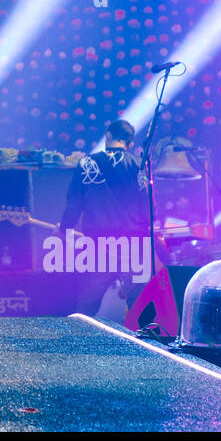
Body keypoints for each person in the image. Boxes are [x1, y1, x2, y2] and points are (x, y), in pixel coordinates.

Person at [59, 118, 152, 316]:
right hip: (133, 243)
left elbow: (74, 203)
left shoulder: (87, 163)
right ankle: (150, 343)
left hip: (99, 243)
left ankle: (79, 342)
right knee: (140, 304)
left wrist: (64, 229)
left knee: (87, 303)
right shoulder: (139, 165)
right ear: (130, 143)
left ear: (108, 136)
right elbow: (149, 206)